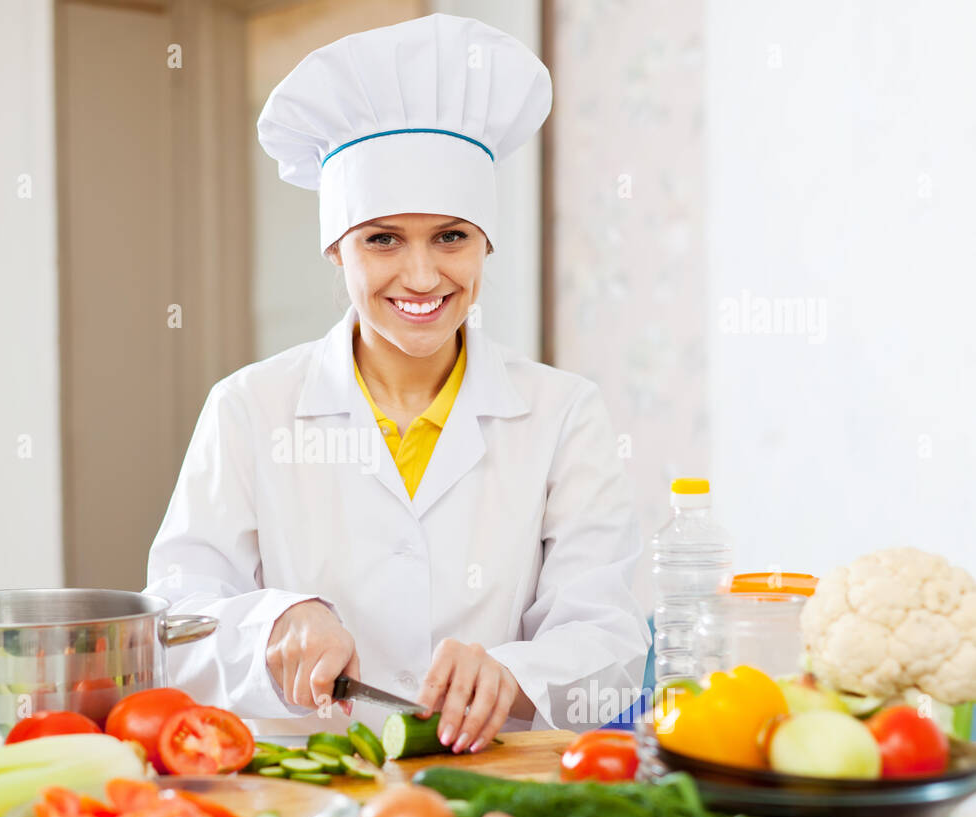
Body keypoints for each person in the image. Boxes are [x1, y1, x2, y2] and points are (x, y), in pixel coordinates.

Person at [143, 13, 649, 750]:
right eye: (382, 239)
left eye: (451, 236)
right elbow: (174, 621)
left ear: (485, 244)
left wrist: (518, 673)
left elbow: (608, 634)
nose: (421, 275)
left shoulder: (563, 413)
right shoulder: (249, 409)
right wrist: (272, 621)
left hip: (492, 781)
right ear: (335, 250)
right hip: (304, 786)